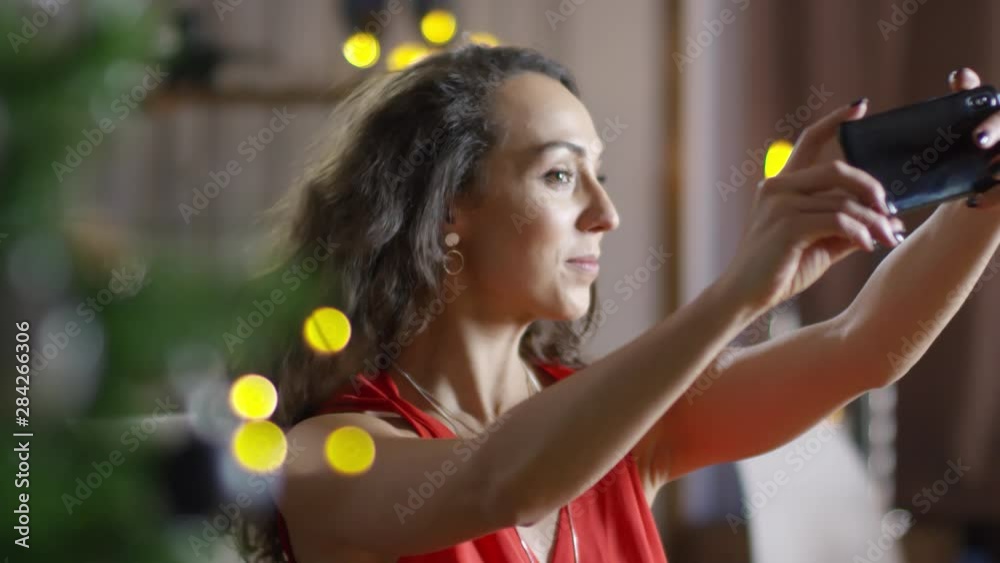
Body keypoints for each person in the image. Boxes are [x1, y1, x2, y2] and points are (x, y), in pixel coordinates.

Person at [232, 46, 1000, 562]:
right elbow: (505, 481)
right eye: (561, 176)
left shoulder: (630, 428)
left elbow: (863, 347)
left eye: (600, 174)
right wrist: (741, 289)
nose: (607, 212)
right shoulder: (323, 456)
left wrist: (985, 196)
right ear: (446, 210)